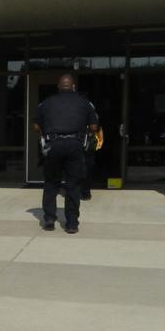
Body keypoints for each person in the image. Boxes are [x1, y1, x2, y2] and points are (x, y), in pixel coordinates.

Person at [34, 74, 99, 234]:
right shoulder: (84, 103)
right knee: (73, 185)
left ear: (58, 87)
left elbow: (36, 125)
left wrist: (46, 134)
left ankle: (49, 219)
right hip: (75, 146)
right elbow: (93, 126)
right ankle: (71, 223)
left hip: (53, 145)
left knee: (51, 183)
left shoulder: (47, 103)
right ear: (73, 87)